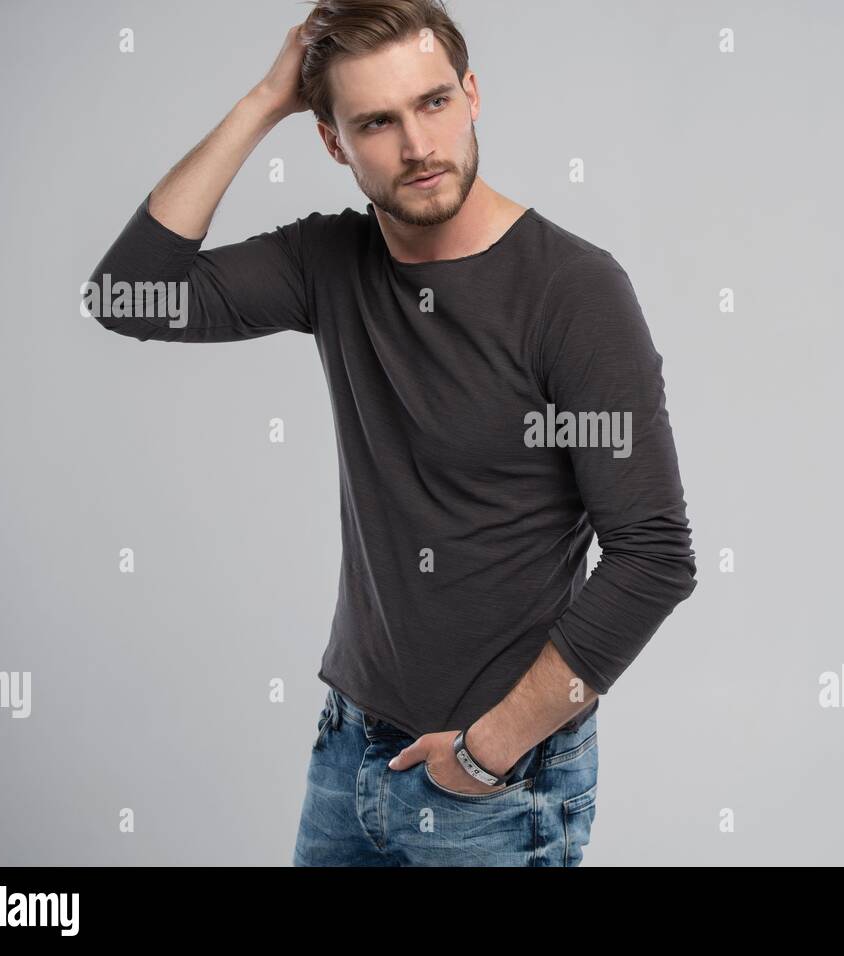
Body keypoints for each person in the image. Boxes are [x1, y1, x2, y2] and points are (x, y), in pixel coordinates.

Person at [85, 0, 697, 866]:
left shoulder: (574, 291)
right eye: (376, 121)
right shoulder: (326, 264)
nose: (417, 146)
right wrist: (265, 99)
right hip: (349, 749)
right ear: (333, 141)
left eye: (434, 103)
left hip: (500, 783)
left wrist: (487, 753)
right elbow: (126, 298)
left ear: (473, 94)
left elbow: (654, 555)